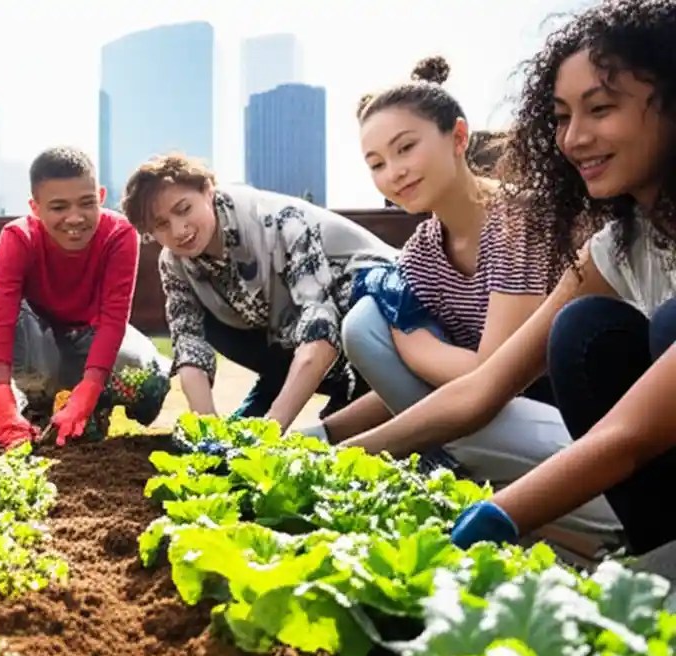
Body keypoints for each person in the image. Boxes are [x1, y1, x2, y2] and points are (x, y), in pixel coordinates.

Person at [342, 0, 676, 562]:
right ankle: (659, 549)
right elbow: (483, 386)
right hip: (616, 446)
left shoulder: (514, 218)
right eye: (562, 117)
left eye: (600, 108)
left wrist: (500, 515)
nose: (574, 139)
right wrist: (336, 454)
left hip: (613, 437)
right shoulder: (619, 246)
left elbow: (631, 435)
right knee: (581, 328)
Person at [304, 56, 624, 565]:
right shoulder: (421, 253)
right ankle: (516, 522)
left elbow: (490, 375)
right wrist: (315, 437)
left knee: (379, 331)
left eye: (406, 147)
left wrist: (413, 341)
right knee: (366, 324)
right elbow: (407, 392)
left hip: (593, 432)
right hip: (498, 424)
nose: (395, 172)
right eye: (377, 163)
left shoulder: (521, 218)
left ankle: (594, 537)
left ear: (457, 138)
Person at [120, 153, 399, 431]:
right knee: (211, 322)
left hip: (382, 307)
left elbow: (320, 331)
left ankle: (357, 393)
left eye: (183, 209)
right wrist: (207, 431)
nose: (179, 230)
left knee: (345, 319)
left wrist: (272, 428)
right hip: (289, 327)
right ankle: (279, 393)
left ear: (207, 190)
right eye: (161, 225)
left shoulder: (278, 221)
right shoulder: (174, 263)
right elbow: (189, 346)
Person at [0, 146, 170, 448]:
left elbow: (113, 318)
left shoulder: (119, 235)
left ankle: (94, 400)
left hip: (93, 333)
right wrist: (1, 407)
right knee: (33, 360)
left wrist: (91, 387)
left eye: (86, 203)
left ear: (102, 196)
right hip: (41, 336)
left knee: (147, 382)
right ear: (35, 207)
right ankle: (43, 404)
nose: (75, 218)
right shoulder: (18, 238)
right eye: (58, 208)